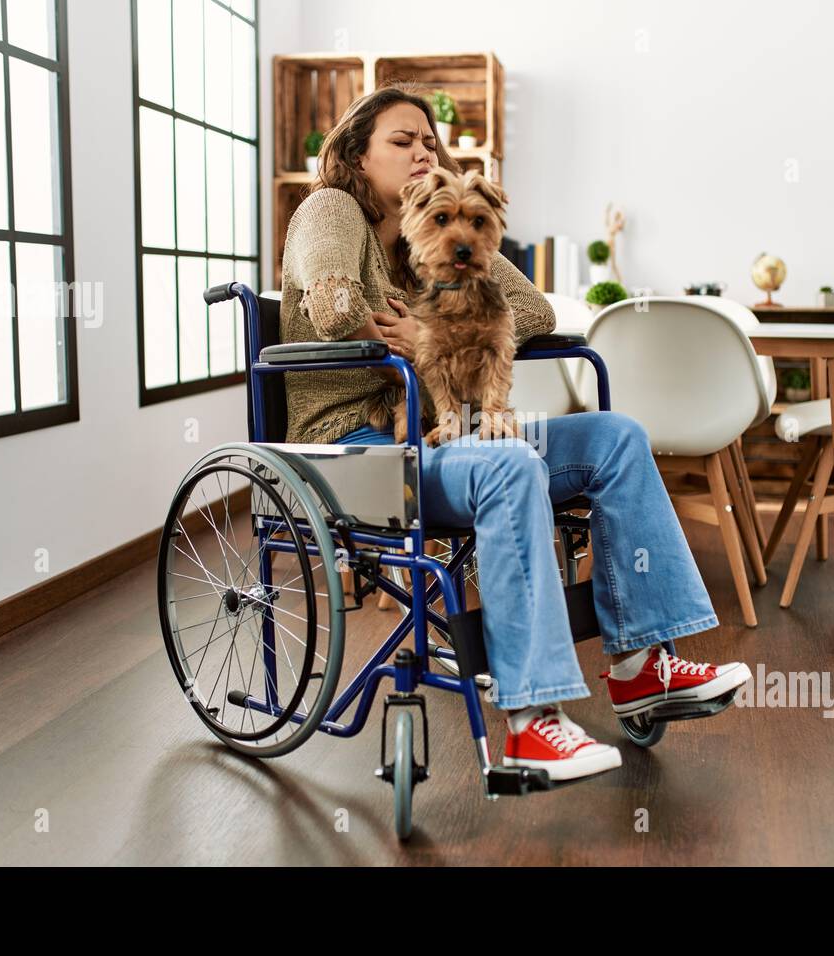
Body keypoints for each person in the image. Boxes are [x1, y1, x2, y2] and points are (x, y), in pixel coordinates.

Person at [279, 84, 749, 781]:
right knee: (508, 467)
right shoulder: (331, 208)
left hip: (448, 432)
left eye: (427, 142)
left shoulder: (448, 232)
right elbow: (332, 303)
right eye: (401, 142)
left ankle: (642, 665)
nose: (420, 153)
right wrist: (399, 331)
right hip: (356, 445)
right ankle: (532, 724)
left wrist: (436, 325)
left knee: (616, 436)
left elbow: (532, 310)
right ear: (355, 153)